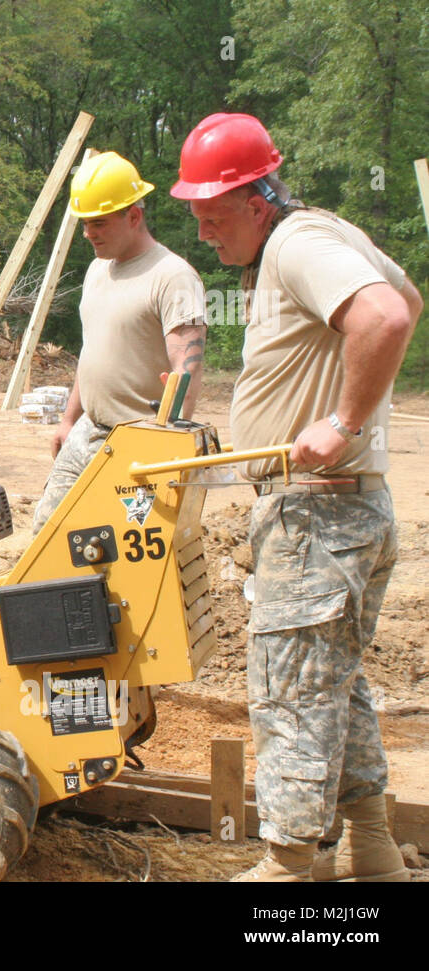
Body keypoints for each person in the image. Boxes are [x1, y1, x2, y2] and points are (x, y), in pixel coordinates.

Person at [172, 112, 421, 882]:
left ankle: (288, 863)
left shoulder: (297, 244)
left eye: (214, 219)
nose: (207, 237)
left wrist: (343, 420)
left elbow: (386, 312)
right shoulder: (325, 231)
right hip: (341, 508)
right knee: (334, 686)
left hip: (316, 509)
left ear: (255, 199)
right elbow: (406, 287)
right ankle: (372, 847)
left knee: (287, 687)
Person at [30, 151, 207, 533]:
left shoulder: (171, 276)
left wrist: (163, 451)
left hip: (137, 443)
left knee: (129, 550)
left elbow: (186, 372)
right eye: (84, 223)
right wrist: (67, 420)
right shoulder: (97, 270)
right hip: (89, 431)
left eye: (99, 223)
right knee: (48, 533)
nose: (88, 233)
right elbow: (93, 352)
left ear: (134, 216)